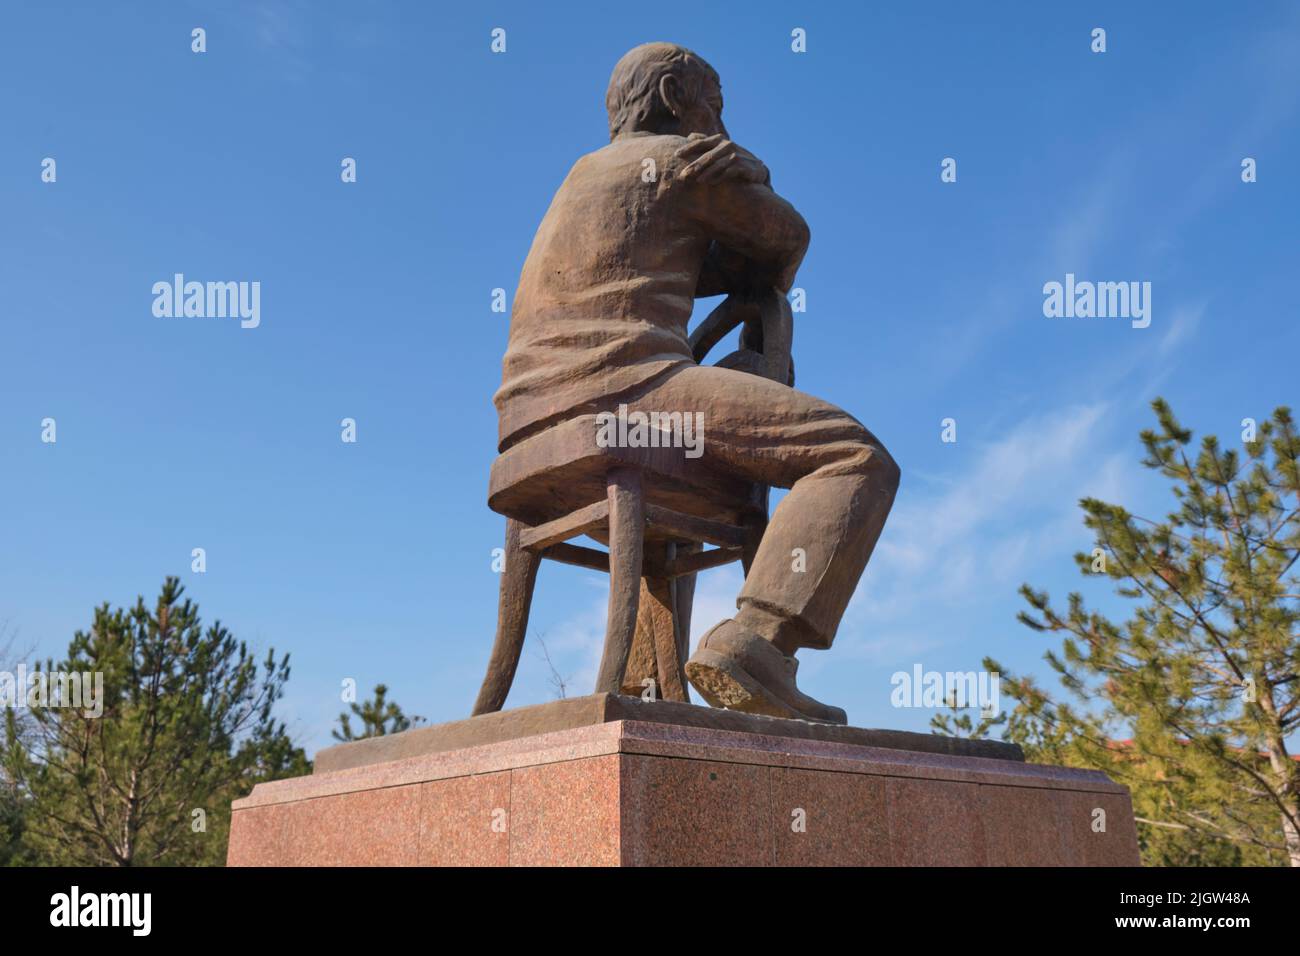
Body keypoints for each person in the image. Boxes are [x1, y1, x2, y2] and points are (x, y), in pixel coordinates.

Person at [494, 42, 899, 723]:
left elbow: (708, 267)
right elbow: (784, 240)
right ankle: (759, 645)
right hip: (630, 393)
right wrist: (750, 167)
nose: (719, 116)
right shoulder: (686, 164)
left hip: (528, 421)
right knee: (855, 456)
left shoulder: (582, 179)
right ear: (677, 97)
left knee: (689, 479)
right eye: (714, 102)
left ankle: (649, 676)